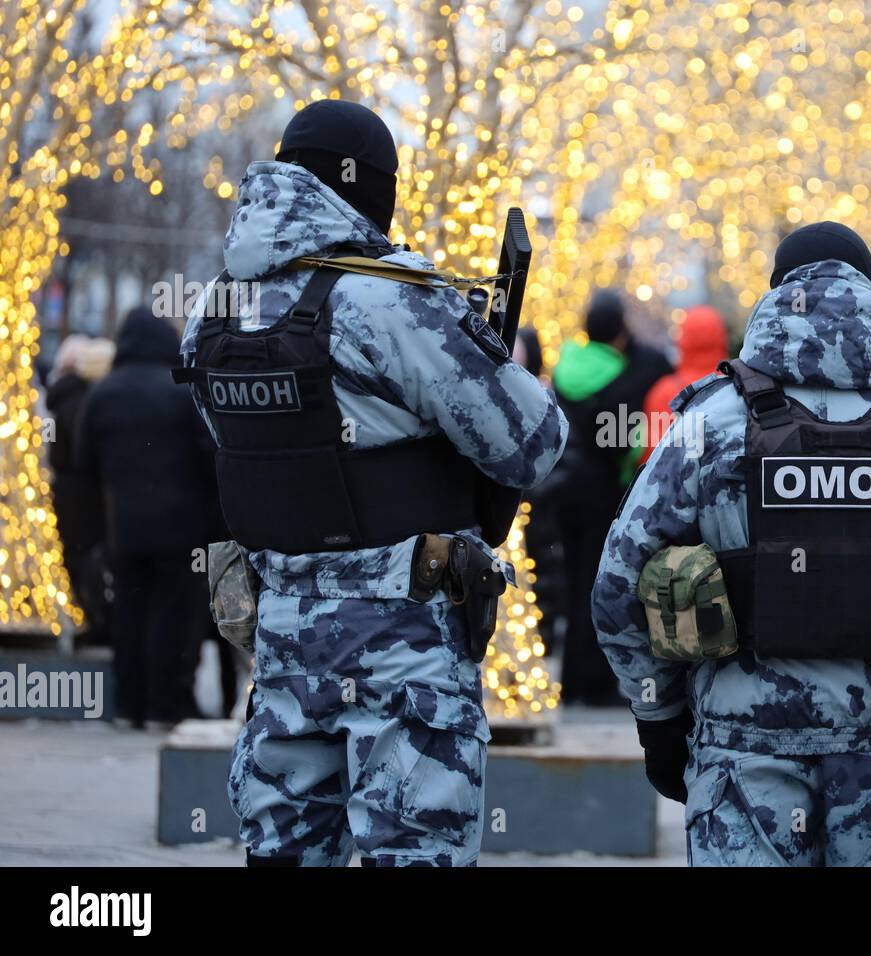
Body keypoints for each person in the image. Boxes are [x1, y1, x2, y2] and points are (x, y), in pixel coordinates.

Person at [180, 100, 566, 866]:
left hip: (283, 641)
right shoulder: (392, 299)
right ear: (372, 188)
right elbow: (534, 445)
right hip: (403, 647)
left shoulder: (215, 311)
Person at [592, 221, 871, 866]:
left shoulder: (711, 424)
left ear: (777, 291)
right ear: (870, 292)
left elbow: (620, 584)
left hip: (740, 752)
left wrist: (662, 719)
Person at [79, 309, 215, 729]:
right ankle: (167, 704)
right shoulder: (182, 390)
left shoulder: (102, 393)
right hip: (182, 527)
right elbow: (211, 457)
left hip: (124, 528)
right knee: (174, 616)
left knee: (129, 612)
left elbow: (81, 462)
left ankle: (127, 704)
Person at [551, 291, 670, 704]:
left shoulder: (568, 366)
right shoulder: (631, 374)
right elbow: (627, 439)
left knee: (573, 582)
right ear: (620, 331)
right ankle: (596, 682)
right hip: (602, 494)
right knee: (600, 585)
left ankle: (570, 682)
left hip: (563, 491)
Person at [46, 335, 115, 645]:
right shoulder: (83, 402)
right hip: (82, 496)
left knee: (79, 558)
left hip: (69, 493)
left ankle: (88, 621)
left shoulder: (65, 398)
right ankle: (95, 623)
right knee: (88, 559)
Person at [638, 304, 729, 463]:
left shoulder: (663, 392)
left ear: (683, 339)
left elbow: (652, 456)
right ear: (721, 337)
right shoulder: (739, 386)